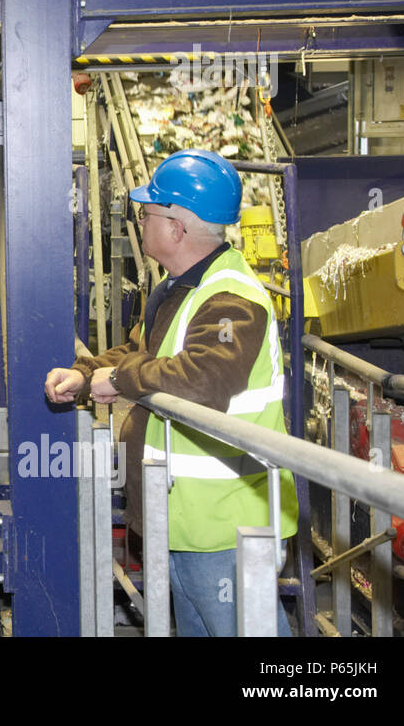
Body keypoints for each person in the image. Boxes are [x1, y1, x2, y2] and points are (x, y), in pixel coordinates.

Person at [44, 148, 298, 636]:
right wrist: (87, 374)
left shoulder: (231, 298)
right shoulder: (180, 288)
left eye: (147, 212)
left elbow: (203, 379)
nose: (140, 221)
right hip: (183, 521)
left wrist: (120, 382)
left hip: (228, 525)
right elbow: (143, 352)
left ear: (177, 227)